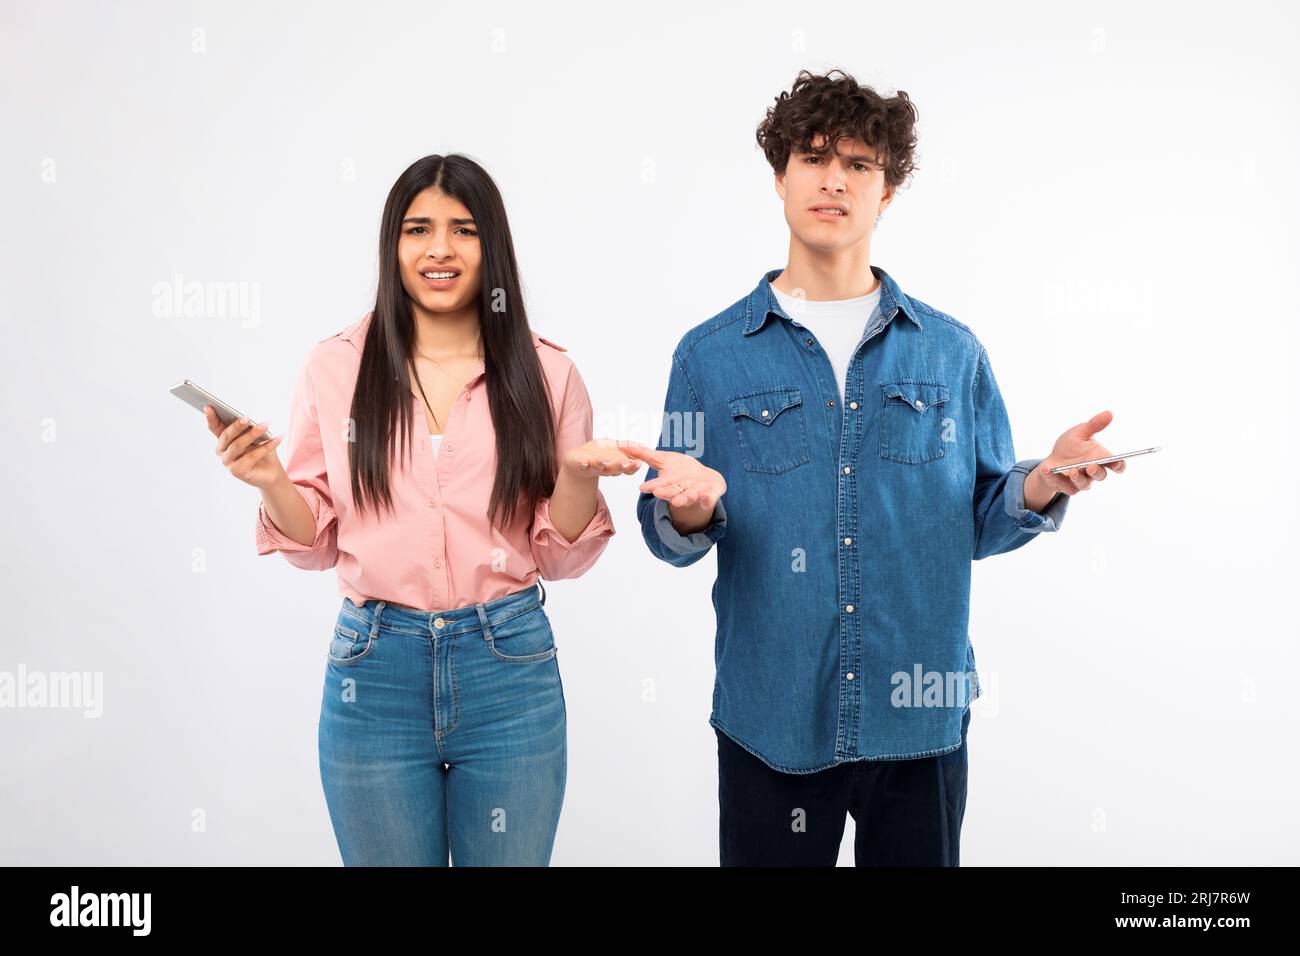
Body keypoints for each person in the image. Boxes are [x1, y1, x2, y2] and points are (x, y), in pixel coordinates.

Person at [621, 69, 1126, 866]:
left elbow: (984, 513)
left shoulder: (951, 351)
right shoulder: (708, 357)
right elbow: (668, 532)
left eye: (859, 164)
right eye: (815, 157)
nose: (834, 179)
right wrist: (687, 509)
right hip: (771, 719)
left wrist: (1041, 481)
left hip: (919, 721)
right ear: (779, 177)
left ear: (886, 191)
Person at [206, 153, 639, 866]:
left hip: (509, 667)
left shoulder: (548, 373)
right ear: (393, 245)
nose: (439, 249)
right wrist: (269, 482)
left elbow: (560, 558)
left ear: (490, 246)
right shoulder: (334, 366)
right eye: (418, 230)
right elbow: (315, 542)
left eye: (463, 230)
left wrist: (577, 480)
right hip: (373, 670)